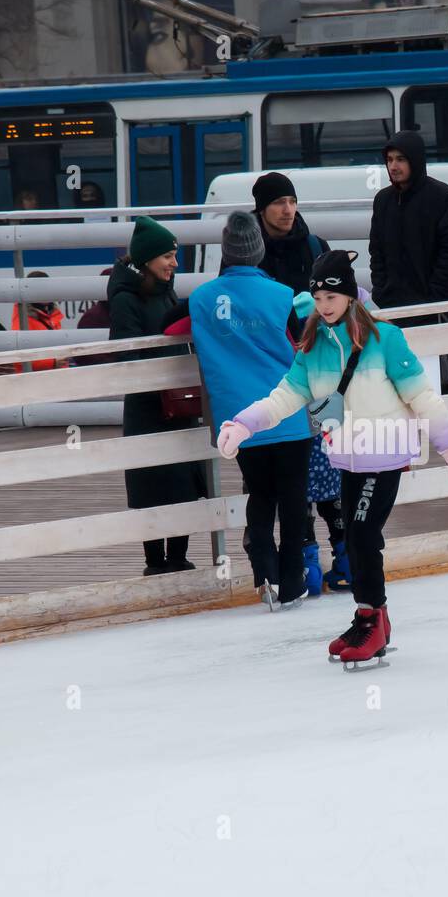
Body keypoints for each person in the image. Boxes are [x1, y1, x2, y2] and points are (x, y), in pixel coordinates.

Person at [217, 250, 448, 667]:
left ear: (351, 296)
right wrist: (244, 425)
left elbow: (420, 394)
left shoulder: (385, 339)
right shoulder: (313, 346)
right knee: (358, 538)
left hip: (385, 455)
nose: (323, 306)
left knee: (361, 535)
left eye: (331, 298)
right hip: (347, 460)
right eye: (317, 299)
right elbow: (286, 396)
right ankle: (373, 618)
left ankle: (370, 619)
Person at [190, 212, 313, 611]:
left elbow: (170, 326)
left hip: (239, 421)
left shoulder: (201, 299)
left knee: (259, 494)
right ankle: (294, 580)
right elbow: (303, 341)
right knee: (294, 500)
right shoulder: (281, 296)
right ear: (259, 251)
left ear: (226, 251)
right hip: (287, 413)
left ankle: (267, 577)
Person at [251, 171, 347, 594]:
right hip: (276, 376)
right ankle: (307, 556)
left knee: (330, 459)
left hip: (321, 368)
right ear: (261, 208)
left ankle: (346, 553)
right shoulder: (249, 254)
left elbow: (343, 303)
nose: (287, 210)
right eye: (278, 203)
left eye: (291, 201)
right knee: (293, 470)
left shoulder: (315, 246)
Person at [108, 217, 207, 575]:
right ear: (147, 259)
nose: (174, 263)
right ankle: (155, 562)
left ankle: (178, 556)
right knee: (152, 485)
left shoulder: (166, 289)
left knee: (182, 481)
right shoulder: (125, 300)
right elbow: (126, 356)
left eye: (175, 255)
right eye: (168, 256)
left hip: (178, 403)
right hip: (148, 408)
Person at [369, 129, 448, 449]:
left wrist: (436, 293)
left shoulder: (443, 197)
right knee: (399, 384)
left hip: (436, 309)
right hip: (394, 313)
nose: (394, 166)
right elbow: (376, 252)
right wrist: (382, 291)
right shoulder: (383, 201)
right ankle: (405, 451)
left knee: (444, 383)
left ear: (415, 160)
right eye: (389, 160)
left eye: (400, 159)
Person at [10, 271, 65, 371]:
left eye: (48, 288)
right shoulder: (22, 320)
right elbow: (19, 358)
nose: (46, 292)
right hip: (40, 379)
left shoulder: (51, 313)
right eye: (42, 289)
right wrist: (52, 363)